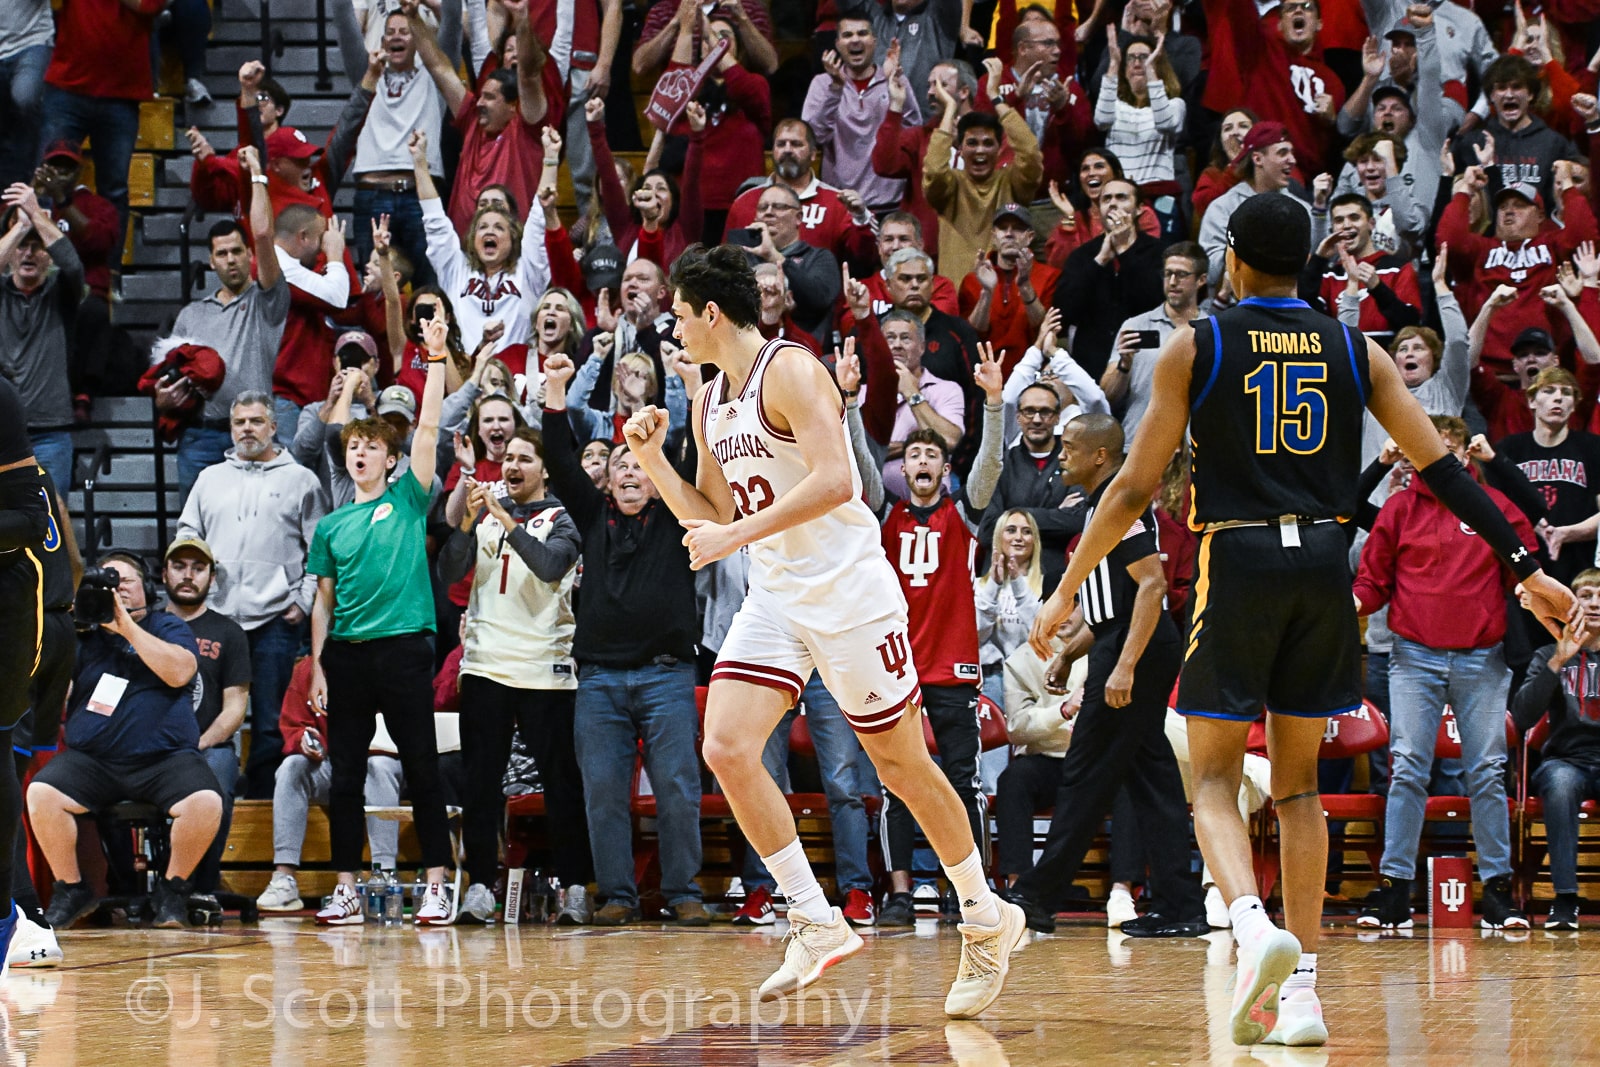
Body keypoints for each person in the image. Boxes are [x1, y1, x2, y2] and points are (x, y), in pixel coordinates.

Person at [1026, 194, 1574, 1048]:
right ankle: (1305, 993)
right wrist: (1530, 567)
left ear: (1232, 263)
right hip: (1324, 568)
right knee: (1299, 788)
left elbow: (1132, 487)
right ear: (1311, 264)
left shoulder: (1195, 345)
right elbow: (1448, 469)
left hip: (1237, 561)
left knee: (1208, 777)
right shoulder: (1357, 349)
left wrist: (1065, 591)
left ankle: (1250, 927)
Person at [624, 244, 1027, 1018]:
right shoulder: (709, 399)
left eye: (678, 315)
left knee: (901, 765)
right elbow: (709, 518)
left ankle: (985, 913)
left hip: (849, 595)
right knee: (727, 745)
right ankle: (813, 917)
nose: (671, 329)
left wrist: (737, 538)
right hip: (777, 593)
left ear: (711, 313)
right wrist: (654, 460)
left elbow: (838, 480)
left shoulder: (792, 369)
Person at [1000, 414, 1208, 938]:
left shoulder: (1122, 499)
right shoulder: (1100, 503)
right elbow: (1111, 601)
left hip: (1139, 647)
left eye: (1069, 448)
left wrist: (1126, 665)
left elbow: (1151, 587)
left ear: (1100, 455)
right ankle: (1180, 905)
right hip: (1122, 639)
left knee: (1087, 770)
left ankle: (1038, 896)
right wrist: (1071, 653)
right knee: (1153, 778)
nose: (1061, 455)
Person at [539, 352, 707, 927]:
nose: (631, 474)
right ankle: (617, 895)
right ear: (607, 481)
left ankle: (684, 892)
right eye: (621, 467)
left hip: (667, 675)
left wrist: (689, 383)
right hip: (601, 680)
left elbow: (694, 452)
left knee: (679, 790)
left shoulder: (677, 516)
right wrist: (556, 392)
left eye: (639, 466)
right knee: (603, 793)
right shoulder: (590, 517)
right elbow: (559, 462)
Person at [1352, 414, 1536, 932]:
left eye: (1451, 446)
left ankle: (1498, 890)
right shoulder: (1398, 510)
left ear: (1464, 455)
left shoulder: (1493, 508)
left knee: (1486, 771)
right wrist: (1349, 605)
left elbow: (1526, 570)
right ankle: (1394, 889)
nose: (1443, 455)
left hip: (1483, 657)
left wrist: (1529, 592)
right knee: (1407, 766)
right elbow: (1373, 582)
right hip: (1414, 656)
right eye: (1430, 447)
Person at [306, 305, 454, 926]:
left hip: (403, 648)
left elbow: (426, 431)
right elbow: (323, 599)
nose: (361, 453)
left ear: (389, 460)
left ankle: (438, 883)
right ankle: (346, 886)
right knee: (345, 777)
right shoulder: (332, 524)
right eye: (354, 446)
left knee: (420, 765)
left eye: (372, 446)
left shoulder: (410, 499)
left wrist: (438, 361)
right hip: (346, 654)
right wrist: (317, 666)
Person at [437, 427, 592, 924]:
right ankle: (481, 885)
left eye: (526, 458)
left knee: (561, 787)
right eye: (507, 459)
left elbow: (549, 567)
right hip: (485, 667)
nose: (512, 466)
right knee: (481, 785)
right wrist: (469, 515)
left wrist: (505, 519)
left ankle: (573, 887)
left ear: (545, 469)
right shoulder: (484, 518)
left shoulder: (564, 519)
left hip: (546, 672)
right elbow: (449, 571)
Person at [30, 552, 220, 931]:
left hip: (165, 760)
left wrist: (127, 629)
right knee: (42, 794)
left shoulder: (168, 626)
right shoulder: (84, 637)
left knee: (206, 802)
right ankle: (71, 889)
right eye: (106, 584)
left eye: (124, 581)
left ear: (146, 589)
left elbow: (181, 671)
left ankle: (173, 888)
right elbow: (58, 693)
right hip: (94, 760)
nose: (115, 590)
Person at [177, 392, 327, 798]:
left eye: (256, 421)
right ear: (230, 428)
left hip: (276, 616)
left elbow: (321, 551)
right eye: (239, 422)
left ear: (274, 427)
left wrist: (303, 600)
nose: (247, 429)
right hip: (219, 615)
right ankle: (206, 791)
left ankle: (264, 800)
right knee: (205, 709)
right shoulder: (210, 479)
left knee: (268, 718)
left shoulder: (301, 480)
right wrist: (198, 594)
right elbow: (188, 535)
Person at [877, 428, 992, 926]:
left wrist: (991, 406)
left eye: (932, 455)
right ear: (903, 470)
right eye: (913, 455)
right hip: (898, 669)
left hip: (954, 669)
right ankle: (900, 894)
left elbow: (989, 471)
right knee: (897, 787)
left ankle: (967, 893)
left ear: (945, 469)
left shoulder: (963, 514)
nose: (922, 461)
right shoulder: (884, 516)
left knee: (963, 784)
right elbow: (862, 463)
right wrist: (855, 404)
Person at [165, 149, 290, 496]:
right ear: (210, 261)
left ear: (249, 255)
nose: (231, 260)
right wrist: (165, 397)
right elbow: (166, 379)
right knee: (196, 535)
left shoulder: (267, 300)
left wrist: (257, 177)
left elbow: (263, 234)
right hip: (199, 435)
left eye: (237, 251)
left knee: (255, 525)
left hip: (253, 434)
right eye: (222, 253)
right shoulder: (191, 314)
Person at [254, 655, 406, 912]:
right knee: (291, 767)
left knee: (379, 766)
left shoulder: (386, 660)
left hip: (378, 761)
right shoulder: (309, 669)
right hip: (331, 763)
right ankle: (284, 878)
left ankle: (384, 876)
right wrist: (303, 738)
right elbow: (293, 724)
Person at [160, 537, 251, 896]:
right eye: (179, 567)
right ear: (164, 572)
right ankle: (126, 884)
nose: (188, 575)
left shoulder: (229, 633)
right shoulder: (146, 626)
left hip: (206, 744)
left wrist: (197, 744)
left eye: (198, 569)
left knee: (218, 772)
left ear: (211, 578)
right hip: (150, 749)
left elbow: (234, 708)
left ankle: (202, 884)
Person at [1511, 567, 1600, 930]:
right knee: (1560, 785)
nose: (1594, 603)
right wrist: (1558, 661)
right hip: (1566, 759)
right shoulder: (1547, 653)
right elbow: (1522, 715)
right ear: (1569, 604)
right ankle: (1565, 899)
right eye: (1586, 595)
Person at [0, 378, 50, 960]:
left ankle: (19, 913)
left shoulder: (1, 400)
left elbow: (29, 521)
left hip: (14, 611)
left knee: (4, 754)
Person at [0, 182, 82, 494]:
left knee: (51, 526)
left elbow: (73, 264)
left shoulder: (61, 291)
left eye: (37, 245)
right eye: (22, 245)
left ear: (48, 256)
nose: (29, 253)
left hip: (51, 433)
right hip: (3, 431)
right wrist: (21, 226)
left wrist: (35, 213)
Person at [1103, 241, 1206, 445]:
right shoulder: (1135, 325)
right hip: (1139, 444)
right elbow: (1108, 398)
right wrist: (1124, 366)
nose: (1173, 281)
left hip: (1195, 448)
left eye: (1181, 274)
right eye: (1168, 274)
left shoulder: (1213, 330)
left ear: (1201, 280)